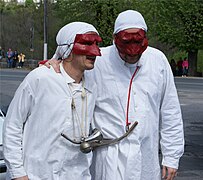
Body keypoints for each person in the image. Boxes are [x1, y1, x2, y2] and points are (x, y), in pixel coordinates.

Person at [44, 10, 184, 180]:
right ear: (114, 38)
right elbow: (68, 61)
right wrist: (53, 62)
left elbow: (170, 111)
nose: (132, 55)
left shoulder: (157, 61)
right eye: (126, 51)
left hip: (145, 156)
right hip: (107, 159)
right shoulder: (98, 60)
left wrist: (172, 156)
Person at [3, 22, 102, 180]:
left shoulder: (93, 83)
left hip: (77, 174)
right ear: (68, 48)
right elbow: (12, 126)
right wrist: (18, 173)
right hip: (37, 174)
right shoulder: (41, 78)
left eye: (97, 44)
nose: (95, 51)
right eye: (87, 43)